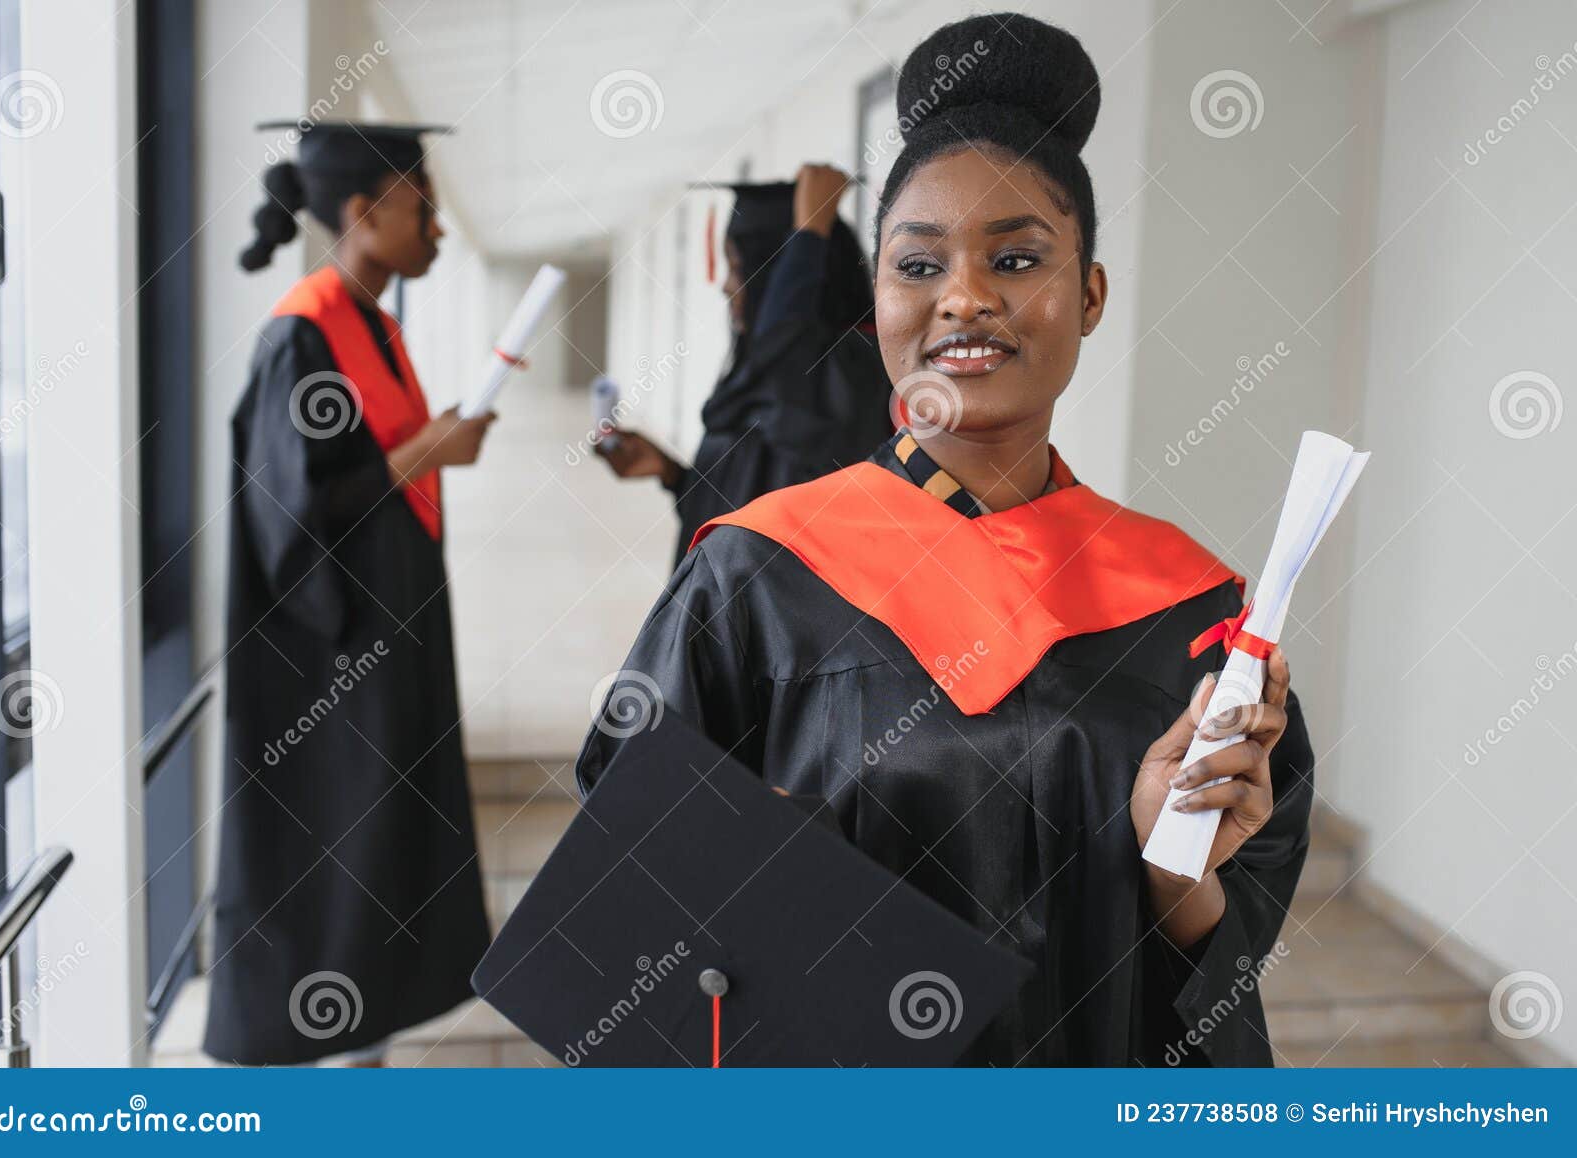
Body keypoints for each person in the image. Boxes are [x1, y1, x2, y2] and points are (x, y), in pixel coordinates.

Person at [577, 16, 1314, 1067]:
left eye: (1016, 258)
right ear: (874, 299)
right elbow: (628, 868)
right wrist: (748, 852)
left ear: (1090, 294)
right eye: (917, 263)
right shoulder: (758, 571)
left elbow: (1220, 941)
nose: (964, 295)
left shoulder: (1189, 611)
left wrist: (1173, 865)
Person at [205, 121, 492, 1067]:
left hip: (390, 619)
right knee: (346, 838)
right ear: (363, 212)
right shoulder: (303, 331)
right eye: (423, 208)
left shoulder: (373, 321)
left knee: (391, 833)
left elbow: (368, 466)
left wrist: (435, 441)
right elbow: (292, 512)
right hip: (333, 644)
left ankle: (366, 1032)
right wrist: (426, 449)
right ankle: (331, 1046)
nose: (438, 230)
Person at [598, 164, 893, 563]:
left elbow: (789, 359)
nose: (725, 285)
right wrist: (674, 475)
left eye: (736, 268)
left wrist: (807, 236)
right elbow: (733, 517)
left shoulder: (845, 373)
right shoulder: (754, 377)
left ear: (776, 275)